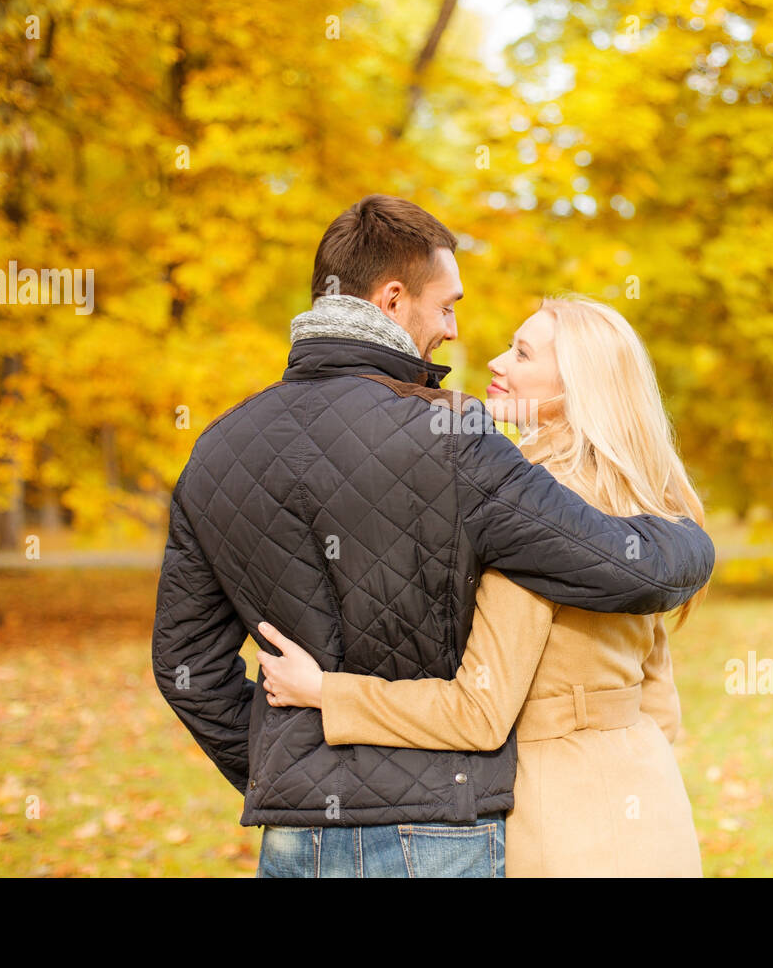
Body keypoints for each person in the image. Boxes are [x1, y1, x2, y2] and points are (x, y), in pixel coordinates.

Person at [151, 195, 715, 878]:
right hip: (439, 830)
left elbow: (187, 669)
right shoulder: (456, 440)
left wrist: (290, 768)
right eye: (447, 306)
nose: (454, 331)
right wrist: (692, 543)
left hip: (298, 835)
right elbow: (623, 568)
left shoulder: (215, 452)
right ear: (393, 299)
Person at [257, 296, 709, 877]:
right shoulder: (638, 500)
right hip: (652, 805)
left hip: (562, 821)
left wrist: (325, 690)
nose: (497, 361)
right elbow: (659, 698)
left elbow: (478, 711)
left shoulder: (534, 510)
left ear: (576, 388)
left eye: (522, 353)